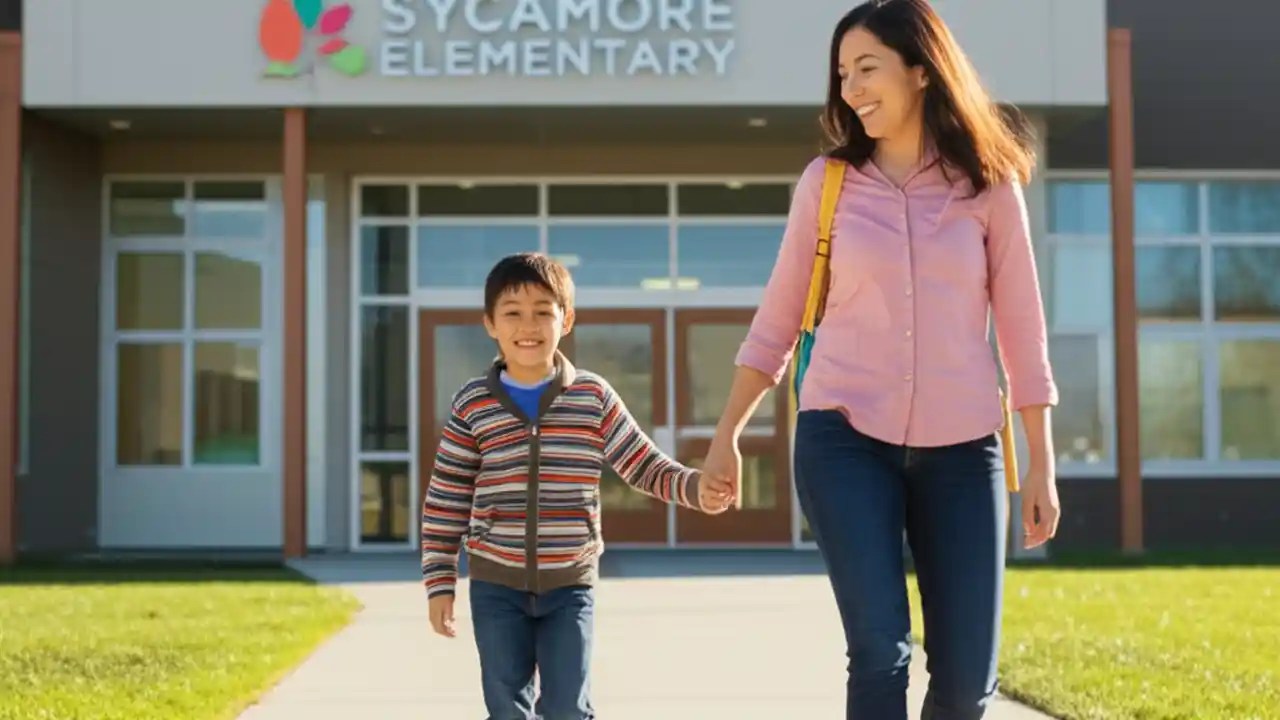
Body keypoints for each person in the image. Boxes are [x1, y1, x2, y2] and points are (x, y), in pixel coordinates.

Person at [702, 1, 1062, 718]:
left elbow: (1023, 330)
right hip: (844, 437)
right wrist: (726, 435)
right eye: (843, 73)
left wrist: (1041, 462)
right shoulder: (827, 184)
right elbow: (778, 316)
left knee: (966, 683)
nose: (852, 88)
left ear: (922, 71)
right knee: (879, 651)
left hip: (962, 448)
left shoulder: (989, 185)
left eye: (868, 68)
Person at [420, 252, 734, 720]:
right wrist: (440, 581)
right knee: (506, 707)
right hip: (495, 582)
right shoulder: (473, 404)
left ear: (565, 320)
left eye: (543, 311)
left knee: (569, 706)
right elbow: (447, 496)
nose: (528, 325)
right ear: (490, 324)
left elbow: (643, 464)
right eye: (512, 313)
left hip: (570, 584)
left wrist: (694, 487)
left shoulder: (591, 396)